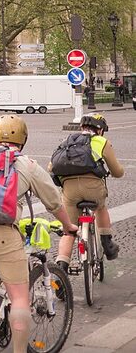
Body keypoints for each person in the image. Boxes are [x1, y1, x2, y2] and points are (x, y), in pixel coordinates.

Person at [0, 115, 78, 353]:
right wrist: (68, 225)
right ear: (23, 139)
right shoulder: (26, 164)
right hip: (1, 235)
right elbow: (53, 200)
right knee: (19, 297)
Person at [51, 113, 125, 270]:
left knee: (69, 230)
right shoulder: (101, 141)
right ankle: (107, 245)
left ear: (81, 127)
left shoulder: (68, 141)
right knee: (100, 207)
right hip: (93, 188)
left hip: (69, 190)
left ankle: (61, 270)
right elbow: (117, 171)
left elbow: (51, 167)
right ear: (100, 130)